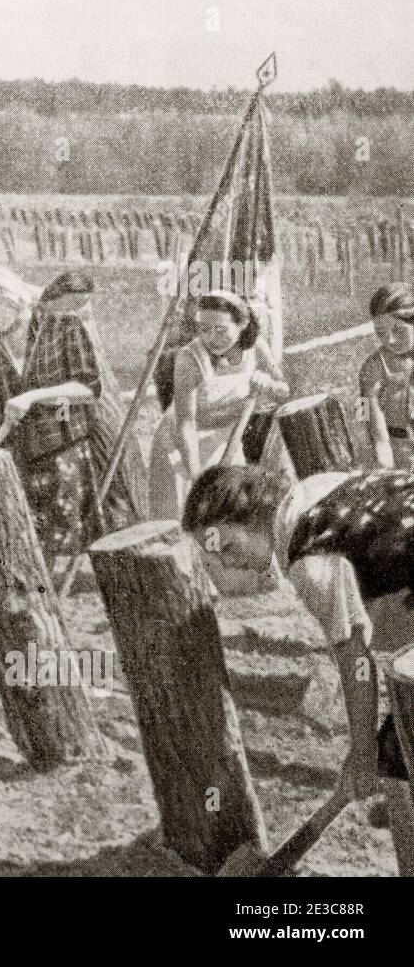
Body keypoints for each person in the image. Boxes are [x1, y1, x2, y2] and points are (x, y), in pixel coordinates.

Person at [182, 465, 414, 811]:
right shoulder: (313, 490)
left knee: (400, 744)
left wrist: (364, 752)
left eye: (227, 545)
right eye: (214, 556)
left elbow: (359, 663)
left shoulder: (310, 560)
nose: (229, 563)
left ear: (252, 515)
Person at [0, 270, 143, 570]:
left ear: (13, 299)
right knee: (30, 539)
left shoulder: (63, 326)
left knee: (93, 534)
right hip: (23, 454)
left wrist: (32, 396)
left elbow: (86, 388)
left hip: (69, 448)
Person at [148, 291, 289, 520]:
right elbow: (186, 423)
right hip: (180, 447)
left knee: (228, 515)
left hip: (225, 441)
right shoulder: (189, 358)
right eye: (203, 329)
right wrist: (197, 481)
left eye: (220, 329)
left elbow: (284, 390)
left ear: (242, 323)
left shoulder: (257, 348)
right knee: (185, 519)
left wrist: (269, 385)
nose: (211, 338)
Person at [360, 282, 414, 471]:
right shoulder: (372, 368)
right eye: (381, 333)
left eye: (398, 330)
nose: (390, 340)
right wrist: (383, 463)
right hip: (400, 453)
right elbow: (367, 419)